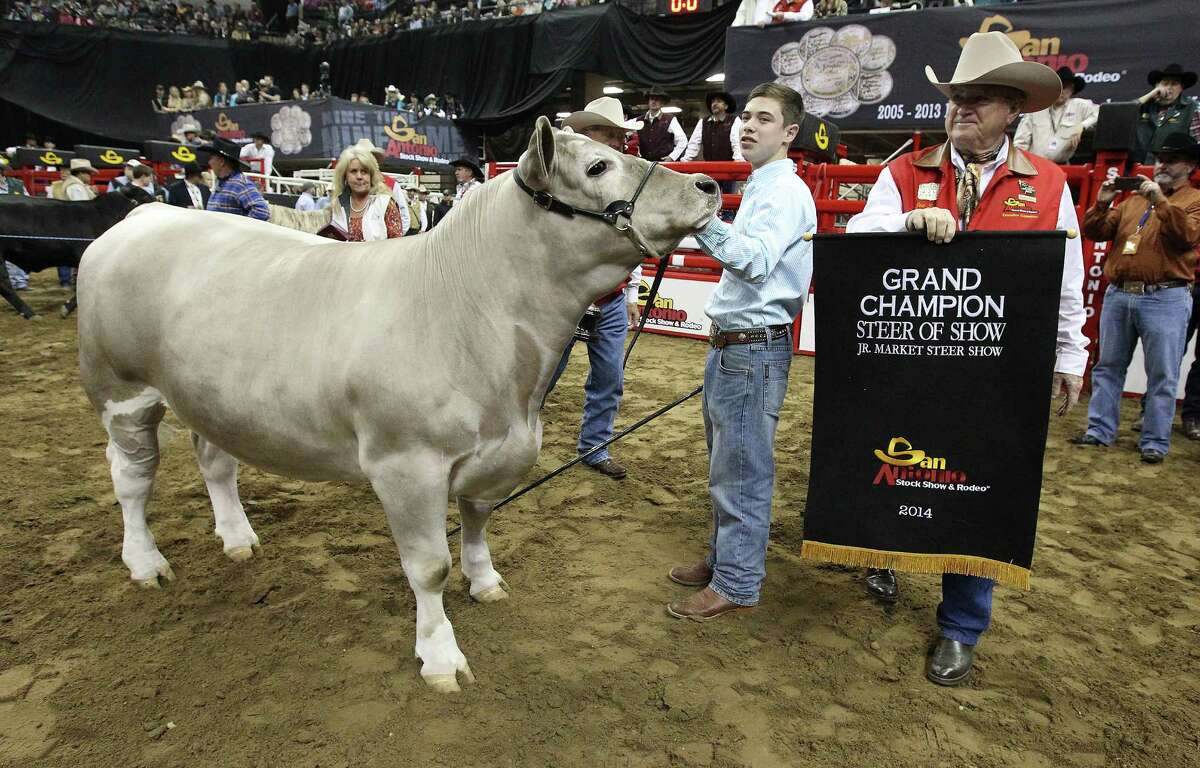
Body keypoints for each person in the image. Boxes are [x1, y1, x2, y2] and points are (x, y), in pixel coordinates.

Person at [845, 31, 1087, 687]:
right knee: (894, 465)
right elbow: (857, 236)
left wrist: (1070, 353)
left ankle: (960, 626)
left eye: (980, 100)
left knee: (984, 492)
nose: (963, 110)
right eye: (957, 98)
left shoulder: (1049, 184)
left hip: (1000, 370)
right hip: (911, 358)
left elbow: (1067, 276)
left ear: (1014, 109)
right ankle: (885, 556)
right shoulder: (906, 172)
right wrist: (905, 225)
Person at [666, 82, 815, 621]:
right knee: (730, 464)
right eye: (747, 117)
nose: (748, 126)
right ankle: (726, 559)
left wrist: (701, 218)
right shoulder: (765, 186)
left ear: (790, 132)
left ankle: (736, 580)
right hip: (740, 347)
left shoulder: (780, 192)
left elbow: (752, 261)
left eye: (764, 119)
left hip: (750, 348)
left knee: (742, 470)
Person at [1071, 132, 1200, 462]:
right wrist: (1102, 202)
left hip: (1166, 295)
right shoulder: (1132, 201)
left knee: (1162, 374)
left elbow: (1187, 237)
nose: (1162, 165)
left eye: (1170, 160)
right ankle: (1100, 430)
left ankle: (1155, 441)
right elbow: (1096, 231)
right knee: (1107, 367)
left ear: (1189, 166)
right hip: (1120, 293)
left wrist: (1160, 201)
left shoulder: (1193, 200)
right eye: (1160, 158)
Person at [545, 96, 648, 480]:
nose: (620, 142)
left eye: (620, 136)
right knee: (543, 376)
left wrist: (633, 293)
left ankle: (596, 445)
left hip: (611, 297)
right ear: (589, 134)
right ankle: (510, 437)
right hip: (567, 297)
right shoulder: (563, 182)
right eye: (611, 133)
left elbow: (631, 243)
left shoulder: (621, 185)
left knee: (609, 377)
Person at [1014, 67, 1099, 163]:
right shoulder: (1037, 109)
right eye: (1059, 87)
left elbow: (1100, 113)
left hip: (1063, 167)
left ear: (1072, 90)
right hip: (1035, 166)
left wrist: (1081, 126)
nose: (1062, 90)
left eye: (1066, 87)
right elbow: (1020, 143)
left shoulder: (1079, 106)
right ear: (1052, 89)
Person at [328, 143, 405, 241]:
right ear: (345, 176)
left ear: (371, 175)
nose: (359, 176)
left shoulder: (385, 203)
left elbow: (397, 245)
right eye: (353, 171)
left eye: (364, 171)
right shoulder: (336, 205)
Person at [1134, 64, 1199, 164]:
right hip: (1139, 164)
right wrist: (1150, 95)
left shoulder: (1192, 108)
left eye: (1174, 84)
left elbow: (1197, 144)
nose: (1169, 88)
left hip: (1172, 166)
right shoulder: (1144, 105)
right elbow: (1123, 112)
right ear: (1157, 86)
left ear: (1182, 88)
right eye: (1165, 83)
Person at [354, 138, 411, 233]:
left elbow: (404, 214)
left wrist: (396, 239)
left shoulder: (391, 184)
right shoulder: (350, 184)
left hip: (384, 243)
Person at [205, 136, 270, 220]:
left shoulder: (239, 183)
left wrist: (238, 230)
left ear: (221, 162)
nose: (209, 162)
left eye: (211, 158)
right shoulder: (222, 183)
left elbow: (262, 211)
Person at [682, 91, 744, 163]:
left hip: (729, 167)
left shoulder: (734, 120)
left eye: (719, 101)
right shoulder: (703, 122)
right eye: (713, 102)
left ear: (726, 106)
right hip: (709, 167)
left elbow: (737, 143)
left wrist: (739, 163)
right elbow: (693, 144)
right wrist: (685, 161)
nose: (714, 104)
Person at [636, 87, 687, 162]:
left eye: (657, 99)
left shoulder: (670, 119)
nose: (653, 101)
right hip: (645, 165)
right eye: (651, 99)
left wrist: (672, 157)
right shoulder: (638, 120)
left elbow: (683, 140)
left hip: (664, 165)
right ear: (648, 101)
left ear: (662, 103)